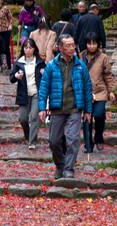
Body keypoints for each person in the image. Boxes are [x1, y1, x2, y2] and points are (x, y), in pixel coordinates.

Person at [38, 34, 93, 179]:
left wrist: (88, 110)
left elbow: (87, 87)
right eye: (67, 45)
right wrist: (42, 107)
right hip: (57, 109)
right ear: (60, 48)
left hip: (75, 108)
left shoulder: (81, 65)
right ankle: (60, 165)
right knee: (54, 141)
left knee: (72, 139)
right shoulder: (51, 65)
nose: (71, 48)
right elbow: (44, 87)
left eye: (73, 44)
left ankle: (69, 169)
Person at [82, 34, 115, 153]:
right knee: (87, 118)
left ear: (98, 44)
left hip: (100, 91)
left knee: (99, 114)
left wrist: (111, 91)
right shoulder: (82, 56)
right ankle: (88, 143)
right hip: (86, 92)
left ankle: (99, 137)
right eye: (89, 43)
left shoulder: (103, 57)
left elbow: (108, 75)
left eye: (94, 43)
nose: (91, 46)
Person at [10, 38, 42, 146]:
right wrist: (16, 76)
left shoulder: (39, 62)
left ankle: (32, 142)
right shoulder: (19, 62)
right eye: (26, 47)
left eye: (30, 48)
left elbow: (47, 76)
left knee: (34, 117)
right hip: (23, 93)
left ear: (34, 49)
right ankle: (28, 136)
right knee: (22, 118)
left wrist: (44, 72)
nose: (28, 50)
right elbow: (11, 78)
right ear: (23, 49)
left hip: (36, 93)